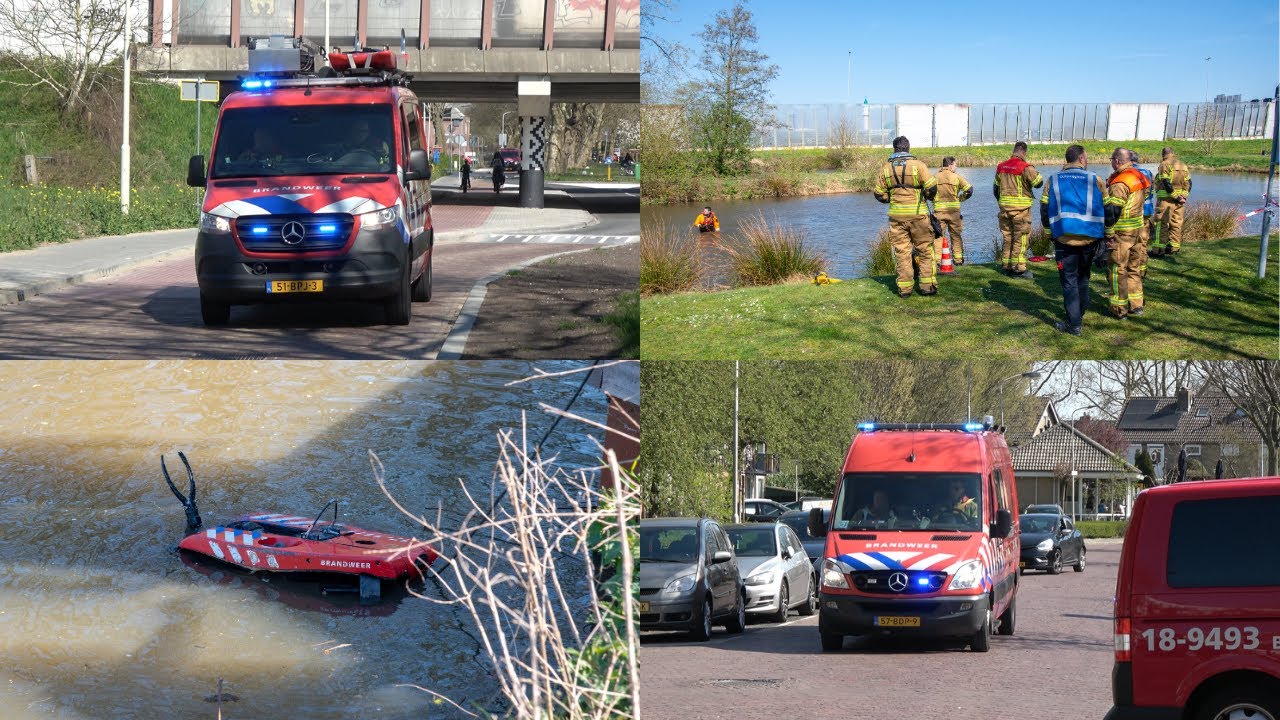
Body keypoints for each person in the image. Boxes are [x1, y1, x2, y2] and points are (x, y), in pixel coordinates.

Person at [1041, 145, 1106, 336]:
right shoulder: (1096, 179)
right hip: (1089, 239)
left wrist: (1048, 233)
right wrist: (1106, 235)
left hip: (1064, 239)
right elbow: (1109, 209)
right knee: (1083, 279)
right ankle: (1079, 316)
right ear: (1081, 159)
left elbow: (1044, 210)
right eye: (1086, 158)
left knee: (1069, 283)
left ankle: (1074, 324)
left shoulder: (1052, 180)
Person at [873, 135, 938, 298]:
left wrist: (892, 199)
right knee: (925, 250)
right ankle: (927, 286)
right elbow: (932, 187)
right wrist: (927, 197)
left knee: (902, 252)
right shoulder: (918, 165)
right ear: (908, 148)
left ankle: (905, 289)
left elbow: (879, 194)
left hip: (896, 217)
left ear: (894, 149)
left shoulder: (886, 168)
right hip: (918, 215)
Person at [1104, 147, 1152, 319]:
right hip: (1138, 229)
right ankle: (1136, 304)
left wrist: (1108, 232)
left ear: (1117, 161)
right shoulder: (1140, 176)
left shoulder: (1120, 182)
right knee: (1134, 267)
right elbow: (1145, 196)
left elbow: (1113, 210)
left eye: (1111, 159)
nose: (1111, 163)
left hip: (1122, 233)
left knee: (1118, 270)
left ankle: (1119, 308)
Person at [993, 141, 1044, 278]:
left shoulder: (1001, 166)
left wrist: (1001, 203)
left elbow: (995, 188)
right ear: (1024, 152)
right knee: (1020, 239)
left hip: (1004, 210)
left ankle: (1007, 265)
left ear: (1014, 150)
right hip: (1021, 210)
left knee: (1008, 237)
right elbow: (1039, 183)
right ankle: (1019, 268)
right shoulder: (1025, 167)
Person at [1151, 146, 1192, 255]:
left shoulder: (1164, 164)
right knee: (1176, 224)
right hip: (1179, 202)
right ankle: (1174, 248)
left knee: (1161, 223)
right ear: (1173, 153)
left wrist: (1175, 196)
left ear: (1163, 154)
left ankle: (1158, 250)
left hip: (1166, 200)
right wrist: (1183, 196)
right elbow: (1189, 183)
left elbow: (1166, 182)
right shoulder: (1182, 165)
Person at [932, 157, 973, 265]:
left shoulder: (935, 177)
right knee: (956, 236)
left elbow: (927, 191)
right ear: (950, 165)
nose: (956, 167)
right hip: (954, 213)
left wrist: (933, 199)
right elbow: (969, 190)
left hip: (939, 213)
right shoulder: (956, 177)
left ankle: (936, 262)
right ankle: (958, 261)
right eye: (955, 165)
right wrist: (961, 198)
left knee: (938, 236)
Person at [1129, 150, 1155, 278]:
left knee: (1132, 241)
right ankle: (1142, 269)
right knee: (1143, 240)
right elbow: (1152, 189)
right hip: (1148, 210)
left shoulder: (1129, 173)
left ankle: (1132, 267)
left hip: (1135, 211)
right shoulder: (1148, 172)